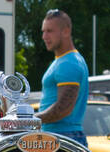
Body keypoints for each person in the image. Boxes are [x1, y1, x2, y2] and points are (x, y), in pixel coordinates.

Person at [36, 10, 89, 144]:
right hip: (60, 135)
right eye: (43, 31)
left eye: (49, 31)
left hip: (63, 136)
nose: (44, 36)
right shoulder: (63, 60)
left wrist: (30, 120)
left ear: (65, 31)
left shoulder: (69, 63)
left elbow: (64, 108)